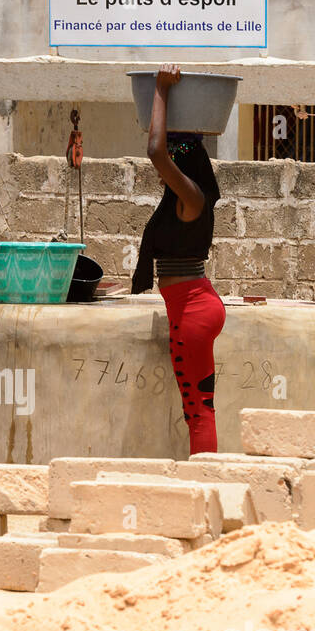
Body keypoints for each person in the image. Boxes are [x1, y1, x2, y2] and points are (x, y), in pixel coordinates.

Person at [130, 65, 226, 455]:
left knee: (198, 409)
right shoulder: (184, 202)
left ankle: (206, 484)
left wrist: (160, 90)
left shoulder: (193, 200)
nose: (163, 177)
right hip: (194, 303)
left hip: (193, 311)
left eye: (172, 171)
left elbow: (155, 151)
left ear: (183, 171)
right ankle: (206, 479)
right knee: (198, 408)